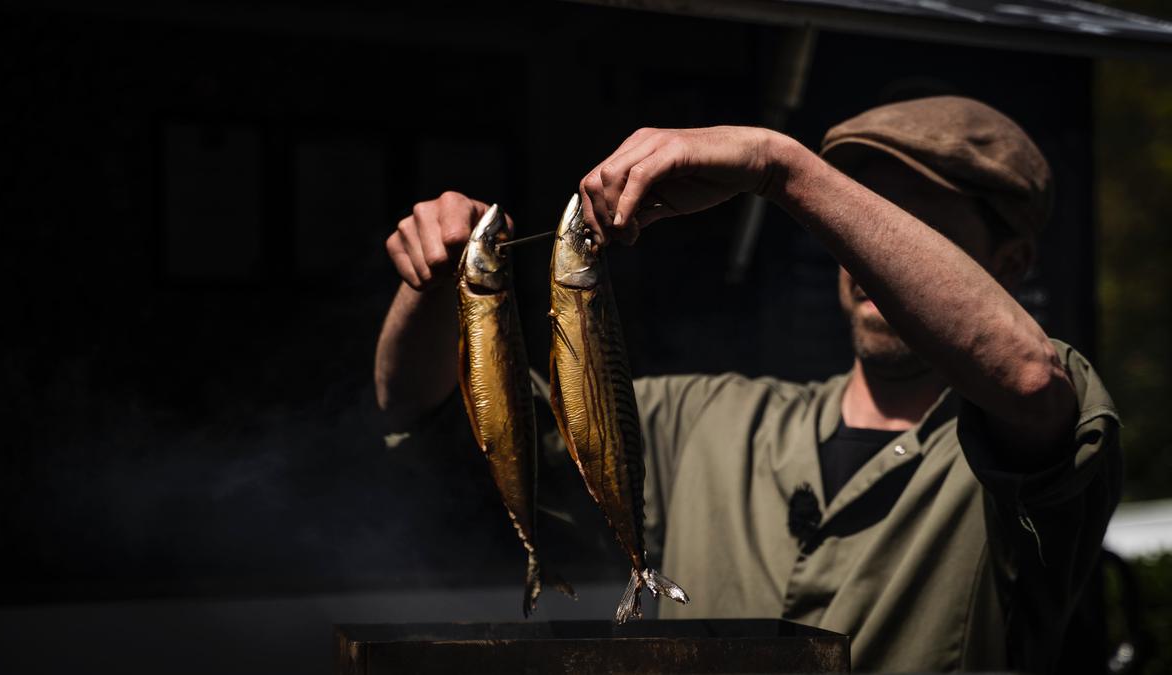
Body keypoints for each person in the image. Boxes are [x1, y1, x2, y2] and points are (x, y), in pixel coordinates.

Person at [373, 96, 1121, 673]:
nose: (864, 258)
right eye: (850, 223)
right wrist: (440, 286)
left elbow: (1026, 378)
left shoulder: (1031, 450)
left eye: (903, 226)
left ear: (1013, 261)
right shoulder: (708, 420)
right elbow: (438, 411)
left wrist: (783, 168)